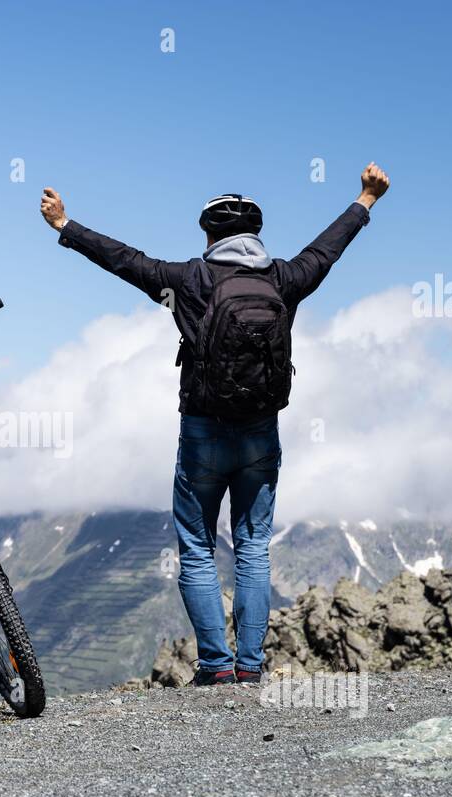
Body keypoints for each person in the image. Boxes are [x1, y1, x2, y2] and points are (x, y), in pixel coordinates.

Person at [40, 164, 390, 685]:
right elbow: (326, 250)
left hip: (202, 432)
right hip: (260, 433)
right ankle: (251, 666)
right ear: (256, 235)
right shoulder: (284, 279)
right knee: (252, 545)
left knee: (198, 547)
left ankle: (215, 666)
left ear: (207, 234)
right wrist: (366, 198)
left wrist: (66, 226)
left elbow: (125, 261)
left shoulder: (187, 280)